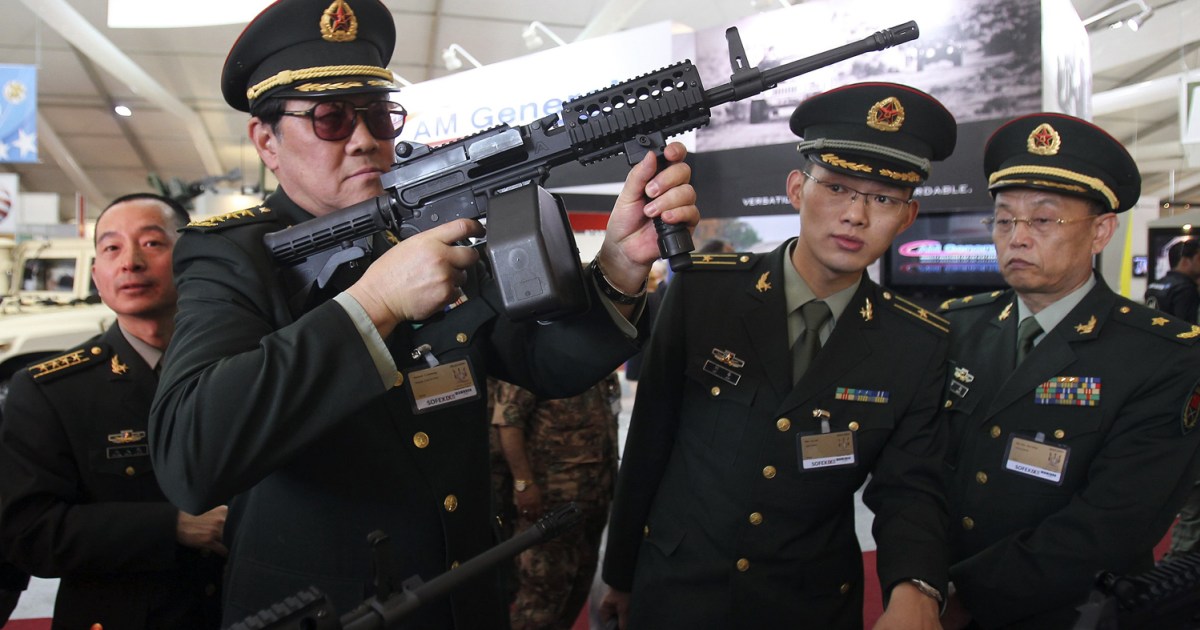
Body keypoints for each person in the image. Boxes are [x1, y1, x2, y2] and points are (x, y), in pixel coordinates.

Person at [146, 0, 698, 626]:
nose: (363, 140)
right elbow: (191, 457)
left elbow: (545, 362)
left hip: (461, 596)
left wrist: (621, 268)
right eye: (330, 119)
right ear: (266, 141)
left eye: (379, 115)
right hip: (324, 608)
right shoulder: (234, 253)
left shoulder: (418, 227)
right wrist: (372, 306)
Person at [601, 82, 958, 630]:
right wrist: (621, 573)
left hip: (807, 601)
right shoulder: (704, 294)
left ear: (907, 218)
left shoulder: (916, 342)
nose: (856, 215)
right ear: (797, 190)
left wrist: (915, 586)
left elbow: (911, 486)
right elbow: (651, 438)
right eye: (837, 187)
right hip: (679, 589)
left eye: (883, 198)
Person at [937, 113, 1200, 628]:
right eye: (1004, 219)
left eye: (1043, 220)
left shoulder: (1161, 356)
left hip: (1073, 612)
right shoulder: (956, 328)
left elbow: (1114, 523)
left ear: (1101, 231)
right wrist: (919, 581)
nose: (1016, 238)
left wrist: (961, 596)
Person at [0, 193, 226, 629]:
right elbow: (28, 533)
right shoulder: (50, 391)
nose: (131, 262)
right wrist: (173, 526)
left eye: (152, 243)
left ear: (193, 259)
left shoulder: (246, 364)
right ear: (97, 275)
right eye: (112, 248)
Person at [488, 373, 621, 630]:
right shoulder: (536, 360)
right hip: (549, 507)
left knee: (576, 591)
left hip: (593, 503)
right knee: (540, 603)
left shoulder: (598, 361)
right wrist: (524, 483)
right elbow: (507, 423)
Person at [1145, 238, 1200, 324]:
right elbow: (1187, 330)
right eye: (1199, 259)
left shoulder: (1154, 285)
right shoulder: (1185, 289)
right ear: (1185, 261)